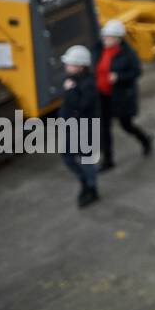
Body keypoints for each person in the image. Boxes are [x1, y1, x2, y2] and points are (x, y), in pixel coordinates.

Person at [94, 19, 151, 172]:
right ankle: (108, 160)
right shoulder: (98, 49)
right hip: (102, 96)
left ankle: (145, 140)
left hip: (119, 97)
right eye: (105, 36)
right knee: (103, 128)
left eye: (109, 37)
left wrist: (119, 77)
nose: (106, 39)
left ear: (118, 39)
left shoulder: (127, 54)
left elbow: (136, 72)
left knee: (126, 125)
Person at [58, 45, 101, 208]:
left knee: (87, 160)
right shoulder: (73, 80)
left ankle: (91, 188)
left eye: (69, 64)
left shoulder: (87, 84)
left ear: (80, 66)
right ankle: (84, 180)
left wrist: (70, 91)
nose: (66, 66)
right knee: (67, 157)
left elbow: (80, 106)